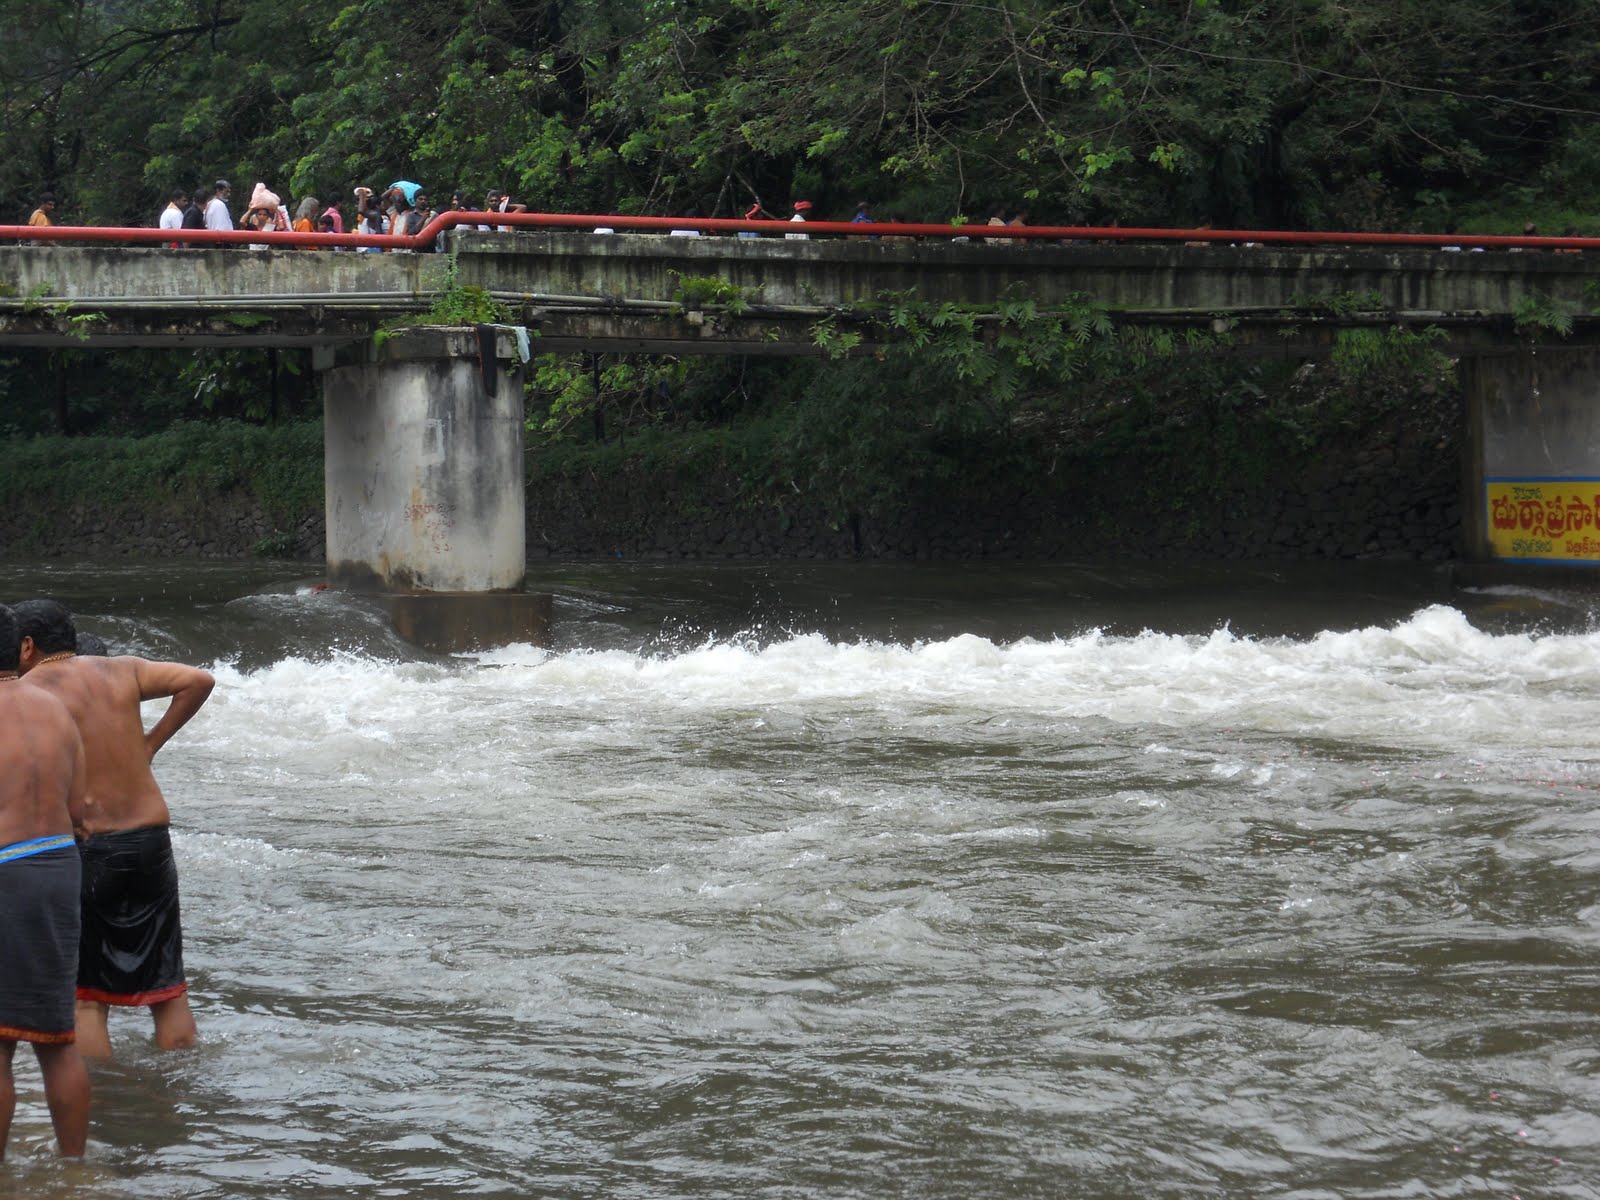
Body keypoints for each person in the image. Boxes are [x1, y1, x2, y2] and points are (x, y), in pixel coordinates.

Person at [14, 599, 215, 1058]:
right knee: (168, 986)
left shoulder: (31, 689)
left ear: (27, 645)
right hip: (150, 839)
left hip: (89, 845)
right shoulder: (121, 670)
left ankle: (110, 1103)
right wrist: (150, 744)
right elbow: (199, 680)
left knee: (86, 997)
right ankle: (176, 1092)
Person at [0, 603, 91, 1159]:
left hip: (5, 869)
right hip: (58, 866)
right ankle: (75, 1170)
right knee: (58, 1042)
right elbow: (79, 808)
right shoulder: (55, 709)